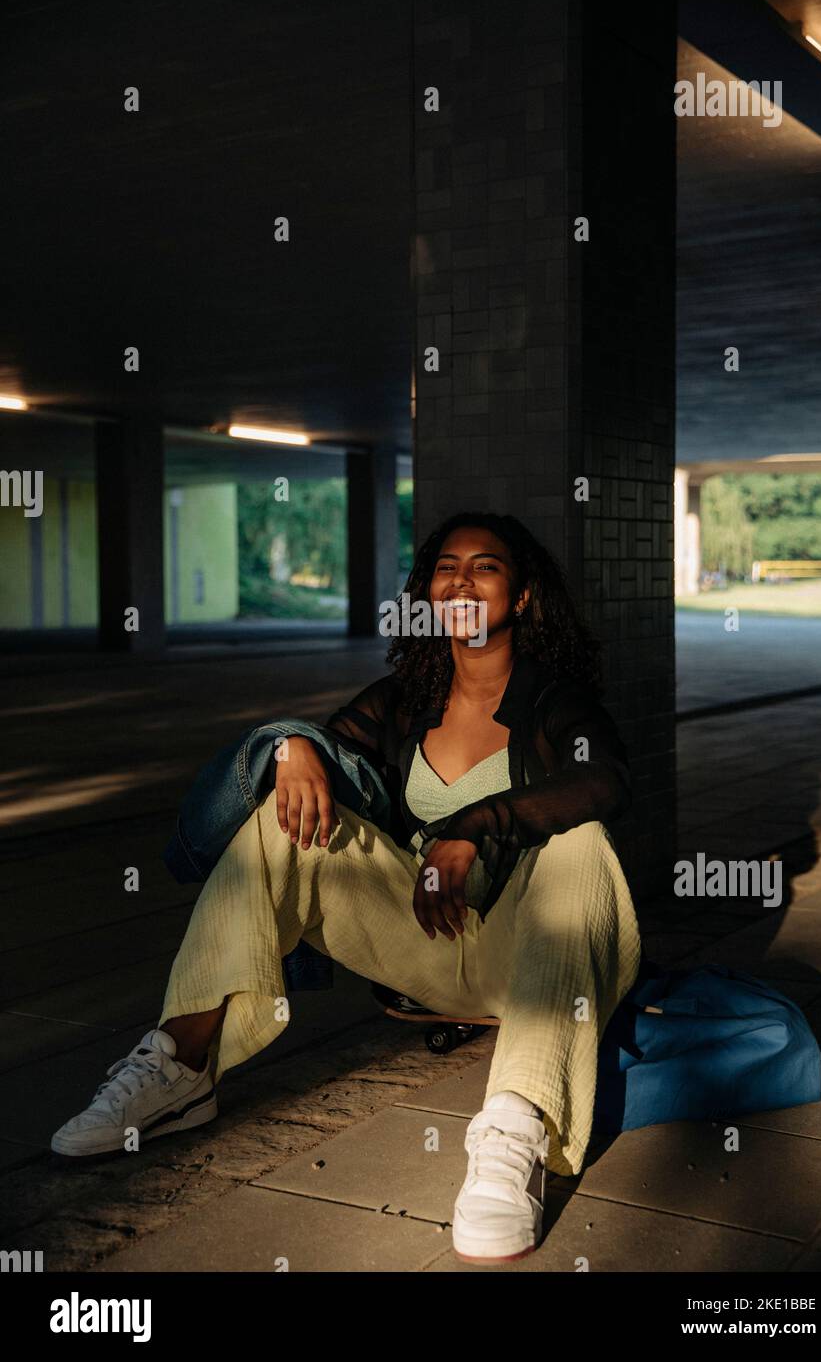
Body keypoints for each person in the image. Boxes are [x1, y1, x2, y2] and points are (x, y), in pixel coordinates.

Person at [51, 511, 642, 1263]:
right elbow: (333, 755)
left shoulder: (555, 701)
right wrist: (294, 746)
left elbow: (604, 780)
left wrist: (475, 825)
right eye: (447, 567)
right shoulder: (404, 700)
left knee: (581, 841)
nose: (463, 579)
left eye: (486, 566)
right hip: (422, 947)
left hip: (531, 960)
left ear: (522, 596)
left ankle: (513, 1129)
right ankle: (181, 1063)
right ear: (429, 590)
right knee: (283, 815)